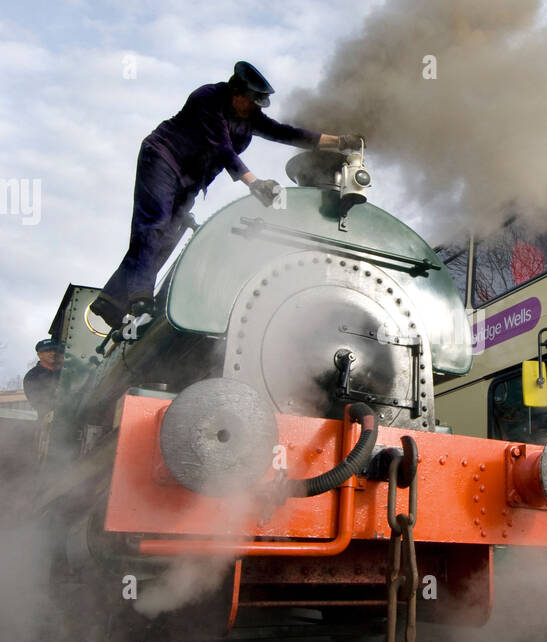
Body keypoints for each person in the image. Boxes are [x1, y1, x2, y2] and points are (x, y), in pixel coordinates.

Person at [91, 61, 359, 328]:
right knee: (154, 224)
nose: (254, 108)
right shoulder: (207, 98)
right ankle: (140, 295)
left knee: (170, 232)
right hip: (162, 159)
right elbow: (222, 148)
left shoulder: (250, 117)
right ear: (236, 92)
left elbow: (284, 133)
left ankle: (110, 301)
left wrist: (339, 142)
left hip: (191, 179)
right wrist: (255, 184)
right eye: (252, 101)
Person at [23, 339, 64, 417]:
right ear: (39, 355)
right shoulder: (32, 376)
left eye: (55, 350)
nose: (53, 353)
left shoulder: (65, 372)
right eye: (48, 351)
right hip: (48, 421)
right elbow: (38, 402)